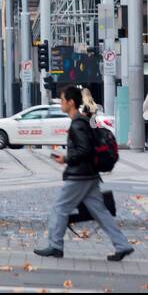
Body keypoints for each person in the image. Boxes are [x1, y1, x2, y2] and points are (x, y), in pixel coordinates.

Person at [34, 84, 134, 262]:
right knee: (100, 212)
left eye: (63, 101)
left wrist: (65, 159)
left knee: (60, 207)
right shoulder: (83, 121)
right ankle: (122, 245)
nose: (60, 104)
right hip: (89, 174)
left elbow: (84, 149)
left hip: (80, 175)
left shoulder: (78, 124)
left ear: (71, 102)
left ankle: (55, 246)